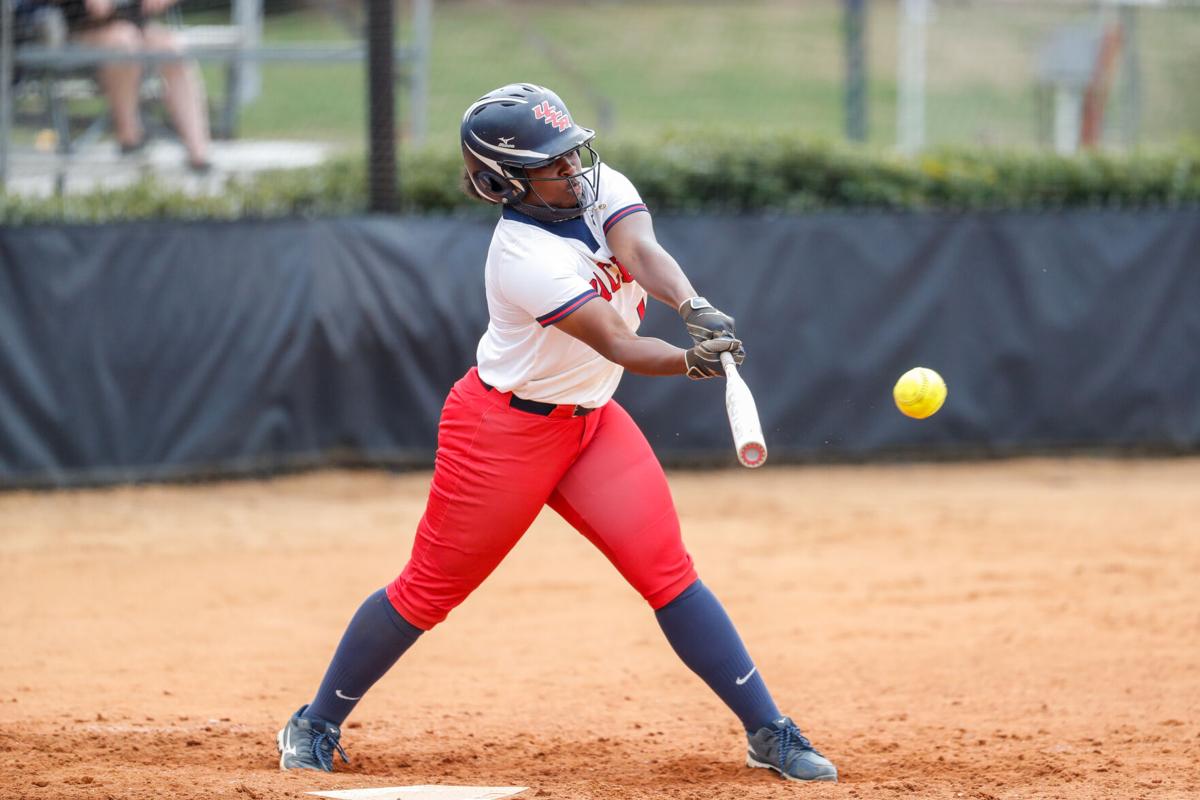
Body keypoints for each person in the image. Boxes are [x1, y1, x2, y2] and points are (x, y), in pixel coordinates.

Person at [275, 83, 838, 784]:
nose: (574, 171)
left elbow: (640, 249)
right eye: (553, 164)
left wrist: (692, 306)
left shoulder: (595, 188)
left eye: (574, 155)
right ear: (503, 181)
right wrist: (689, 361)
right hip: (502, 433)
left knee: (670, 575)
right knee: (428, 591)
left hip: (592, 426)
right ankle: (315, 721)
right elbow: (618, 344)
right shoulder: (522, 256)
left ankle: (768, 730)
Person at [57, 0, 212, 171]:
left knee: (172, 49)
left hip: (136, 25)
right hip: (81, 30)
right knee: (123, 42)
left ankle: (199, 153)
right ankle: (130, 139)